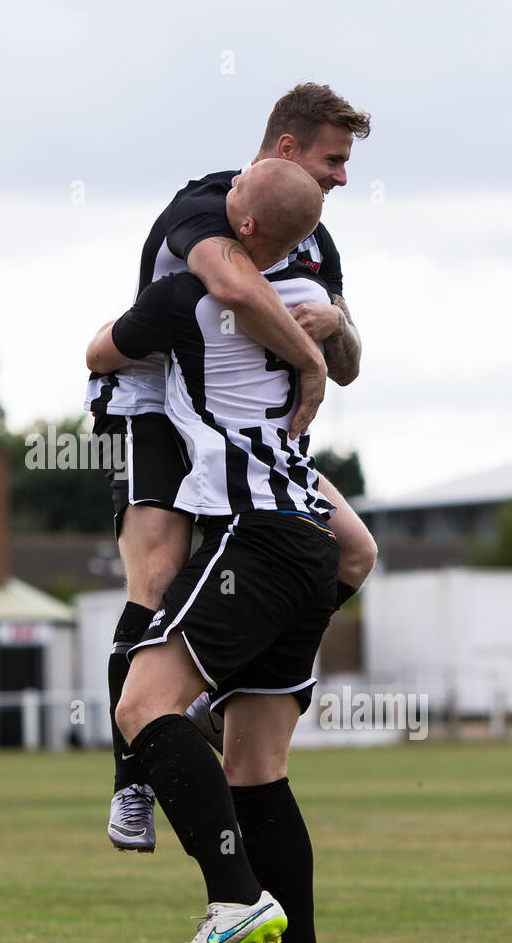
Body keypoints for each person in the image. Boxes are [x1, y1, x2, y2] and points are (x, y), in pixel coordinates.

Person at [86, 158, 346, 943]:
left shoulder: (189, 296)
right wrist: (324, 343)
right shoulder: (305, 298)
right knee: (257, 772)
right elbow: (338, 363)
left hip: (255, 539)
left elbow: (97, 353)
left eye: (229, 202)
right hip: (314, 540)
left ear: (243, 223)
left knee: (141, 705)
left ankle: (233, 898)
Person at [84, 83, 376, 852]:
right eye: (333, 159)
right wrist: (308, 358)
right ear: (286, 149)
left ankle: (219, 685)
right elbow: (228, 284)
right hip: (156, 404)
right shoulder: (207, 204)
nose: (343, 176)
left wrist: (335, 327)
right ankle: (133, 779)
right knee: (156, 575)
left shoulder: (315, 239)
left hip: (239, 430)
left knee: (356, 550)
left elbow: (348, 365)